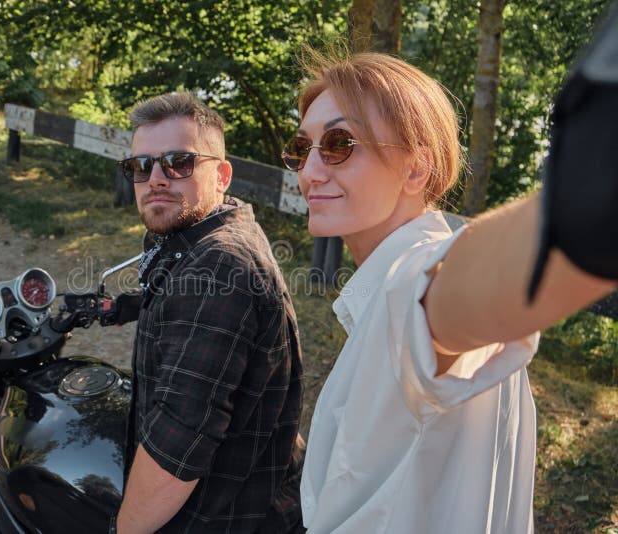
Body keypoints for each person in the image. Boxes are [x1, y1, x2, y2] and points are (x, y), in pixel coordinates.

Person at [281, 50, 617, 533]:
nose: (309, 172)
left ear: (417, 170)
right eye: (301, 148)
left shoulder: (410, 278)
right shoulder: (383, 289)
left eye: (339, 143)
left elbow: (455, 286)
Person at [115, 92, 305, 533]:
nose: (156, 179)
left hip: (222, 517)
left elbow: (176, 445)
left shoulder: (219, 268)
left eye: (178, 162)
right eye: (141, 167)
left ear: (221, 175)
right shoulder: (212, 232)